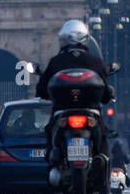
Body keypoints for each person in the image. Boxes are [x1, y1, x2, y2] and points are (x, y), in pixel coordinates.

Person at [36, 19, 114, 184]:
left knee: (50, 130)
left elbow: (42, 89)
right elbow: (105, 92)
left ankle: (53, 161)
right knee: (103, 134)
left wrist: (44, 94)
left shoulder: (55, 62)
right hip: (90, 111)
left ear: (63, 39)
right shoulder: (95, 62)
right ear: (86, 39)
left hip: (62, 110)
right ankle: (102, 159)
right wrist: (106, 97)